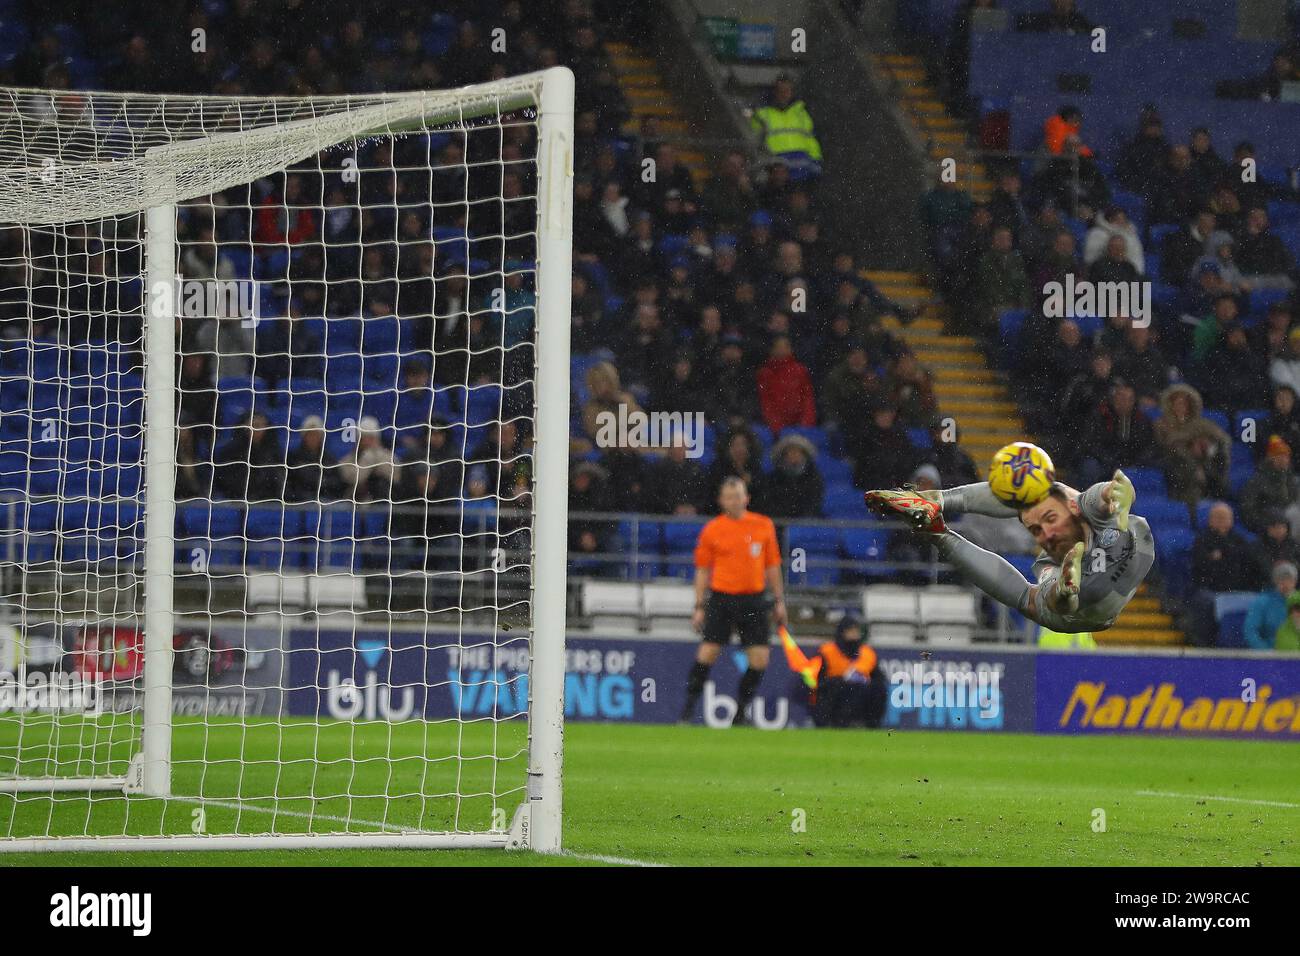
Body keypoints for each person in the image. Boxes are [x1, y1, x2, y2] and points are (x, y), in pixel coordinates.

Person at [865, 468, 1154, 634]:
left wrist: (1120, 491)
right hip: (1084, 612)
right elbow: (1058, 602)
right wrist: (1065, 593)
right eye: (1036, 530)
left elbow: (1110, 492)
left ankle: (938, 500)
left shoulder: (1088, 508)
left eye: (1050, 520)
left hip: (1129, 550)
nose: (1046, 534)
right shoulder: (1051, 564)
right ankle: (938, 531)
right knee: (1028, 599)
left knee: (1045, 489)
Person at [680, 477, 786, 727]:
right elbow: (703, 570)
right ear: (721, 501)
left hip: (754, 599)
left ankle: (740, 714)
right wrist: (698, 606)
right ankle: (686, 711)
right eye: (729, 496)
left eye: (738, 496)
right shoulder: (713, 529)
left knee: (760, 658)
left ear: (746, 498)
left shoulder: (763, 525)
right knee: (708, 653)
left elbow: (772, 566)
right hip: (722, 598)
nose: (734, 501)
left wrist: (779, 600)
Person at [780, 616, 887, 728]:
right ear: (842, 632)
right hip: (834, 696)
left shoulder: (867, 653)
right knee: (837, 688)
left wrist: (863, 681)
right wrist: (839, 681)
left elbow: (879, 679)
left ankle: (871, 725)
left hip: (860, 696)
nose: (854, 635)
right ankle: (832, 724)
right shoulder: (827, 652)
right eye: (850, 631)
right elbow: (811, 680)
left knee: (876, 690)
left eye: (856, 631)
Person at [1244, 561, 1297, 650]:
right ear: (1275, 581)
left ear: (1295, 581)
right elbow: (1250, 630)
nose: (1285, 583)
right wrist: (1265, 651)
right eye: (1281, 579)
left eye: (1289, 579)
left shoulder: (1297, 601)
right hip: (1269, 654)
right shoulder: (1262, 602)